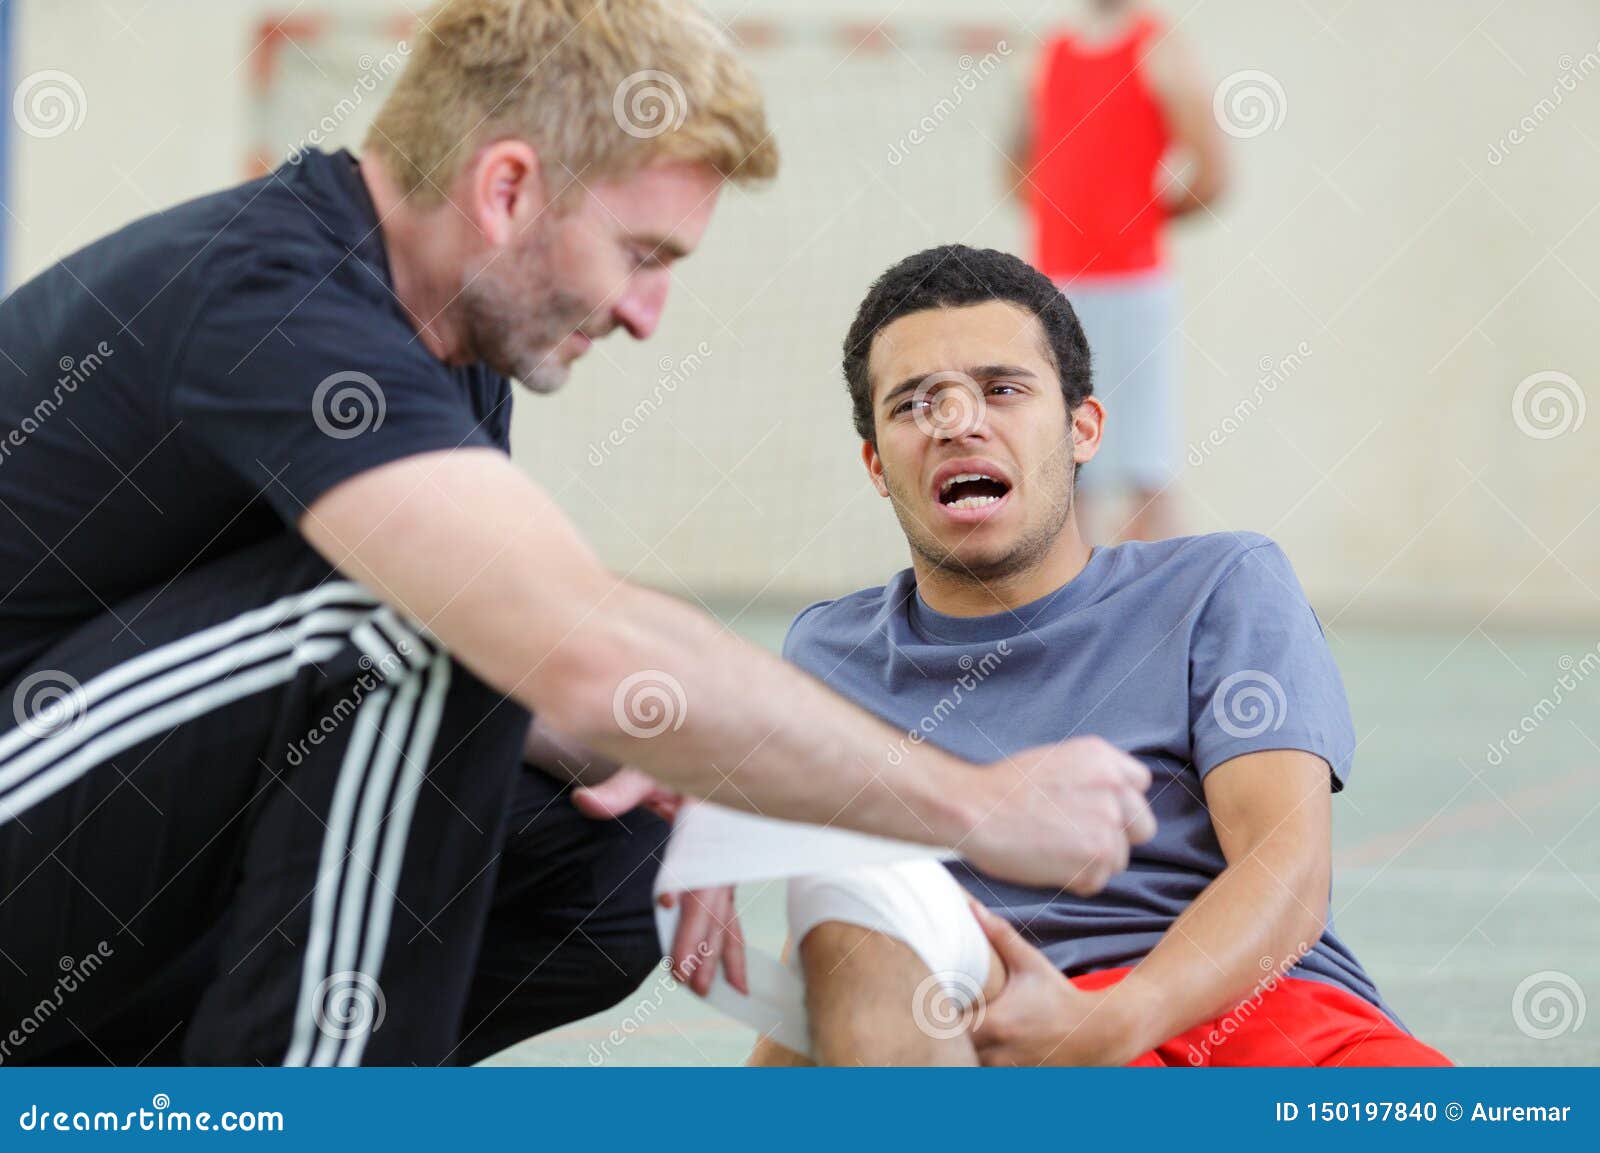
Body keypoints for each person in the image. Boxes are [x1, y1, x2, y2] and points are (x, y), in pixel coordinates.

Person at [0, 1, 1154, 1066]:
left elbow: (553, 668)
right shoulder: (273, 296)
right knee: (420, 626)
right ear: (506, 188)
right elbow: (570, 641)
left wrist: (694, 766)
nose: (644, 314)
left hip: (90, 870)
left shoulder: (448, 355)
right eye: (642, 255)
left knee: (608, 869)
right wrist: (981, 805)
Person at [741, 244, 1449, 1066]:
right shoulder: (831, 658)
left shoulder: (1220, 585)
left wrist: (1113, 1024)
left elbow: (1286, 865)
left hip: (1261, 1018)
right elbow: (835, 947)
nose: (958, 422)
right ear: (876, 465)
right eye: (912, 404)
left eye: (1002, 389)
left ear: (1084, 429)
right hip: (1004, 1046)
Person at [1009, 0, 1228, 542]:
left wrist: (1137, 219)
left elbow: (1212, 170)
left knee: (1144, 467)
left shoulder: (1158, 46)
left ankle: (1162, 612)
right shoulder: (1049, 51)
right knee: (1067, 467)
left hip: (1131, 289)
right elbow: (1021, 166)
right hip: (1058, 283)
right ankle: (1074, 613)